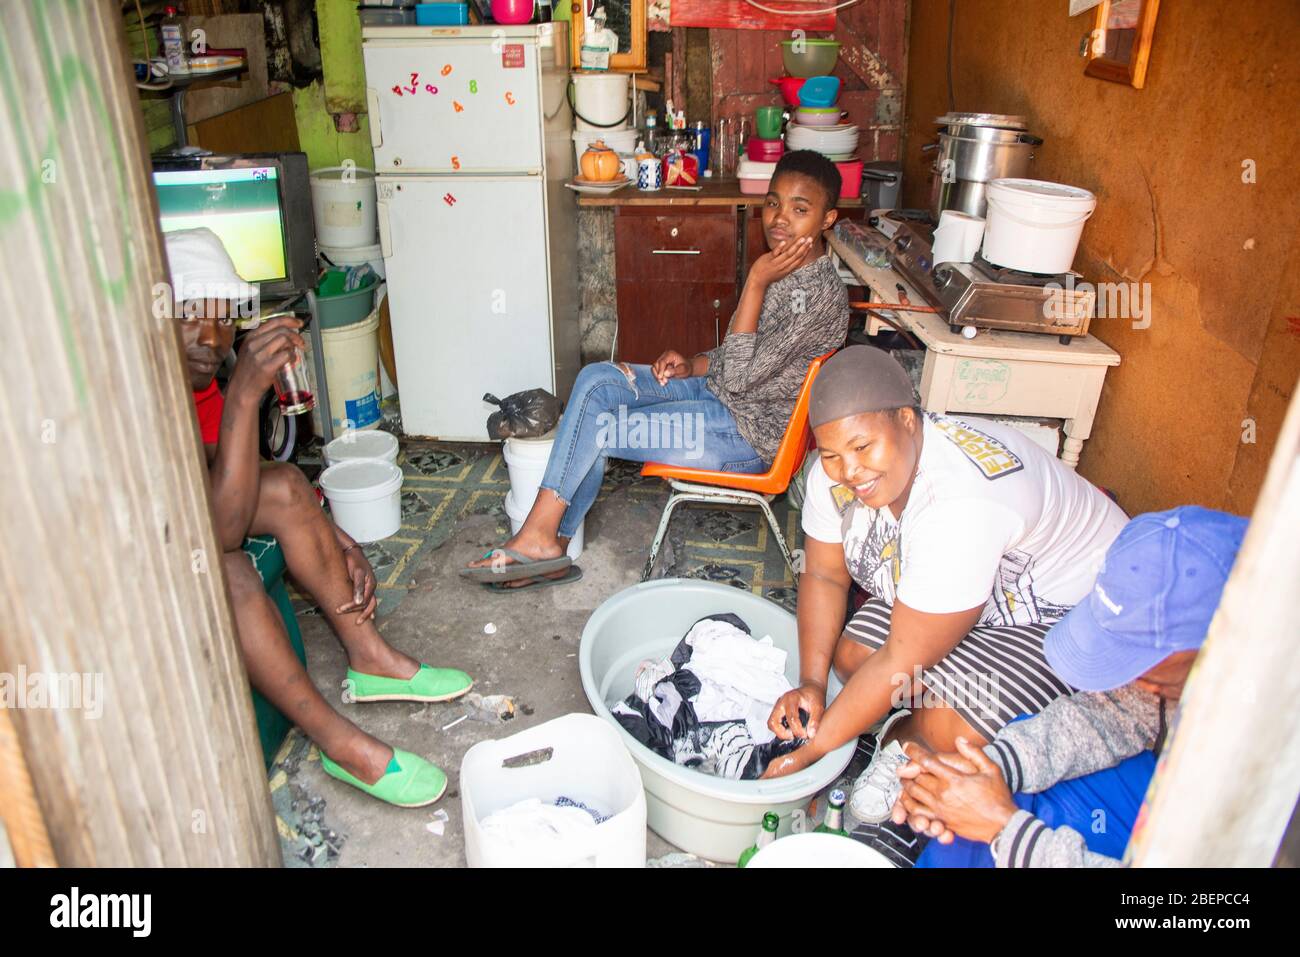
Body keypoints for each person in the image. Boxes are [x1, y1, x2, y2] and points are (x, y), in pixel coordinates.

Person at [759, 346, 1129, 832]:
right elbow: (825, 575)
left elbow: (900, 660)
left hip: (1066, 612)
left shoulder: (959, 502)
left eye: (863, 447)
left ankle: (906, 742)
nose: (849, 471)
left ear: (909, 421)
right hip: (971, 595)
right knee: (848, 659)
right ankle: (909, 709)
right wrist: (810, 682)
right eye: (831, 454)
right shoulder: (840, 478)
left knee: (951, 725)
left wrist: (814, 750)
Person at [167, 227, 472, 808]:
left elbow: (236, 471)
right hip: (112, 560)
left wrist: (335, 534)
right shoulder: (141, 388)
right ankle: (338, 742)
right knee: (228, 573)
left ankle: (371, 659)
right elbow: (223, 531)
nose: (209, 337)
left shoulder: (199, 380)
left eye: (220, 316)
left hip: (187, 512)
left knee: (284, 482)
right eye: (187, 315)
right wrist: (245, 396)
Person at [462, 150, 851, 590]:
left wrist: (755, 282)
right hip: (716, 394)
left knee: (597, 426)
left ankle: (543, 540)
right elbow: (738, 359)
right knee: (596, 381)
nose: (780, 219)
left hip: (746, 435)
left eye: (800, 209)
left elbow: (743, 377)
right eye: (773, 203)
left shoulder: (818, 296)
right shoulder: (783, 266)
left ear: (827, 219)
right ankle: (546, 542)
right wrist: (694, 363)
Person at [893, 506, 1247, 867]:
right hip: (1163, 780)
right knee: (1016, 761)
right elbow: (1112, 714)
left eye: (1142, 665)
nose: (1130, 680)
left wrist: (1008, 833)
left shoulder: (1270, 770)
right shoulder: (1178, 676)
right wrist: (983, 771)